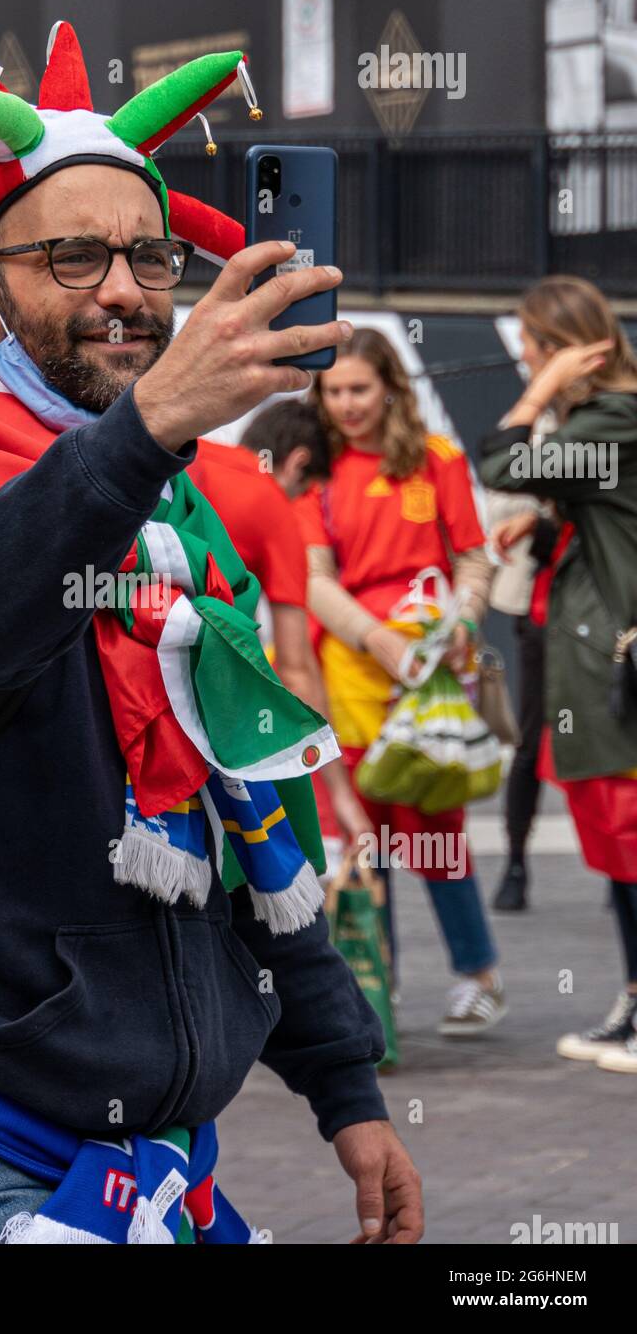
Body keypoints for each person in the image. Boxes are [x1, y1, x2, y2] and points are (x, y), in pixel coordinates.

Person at [0, 25, 422, 1244]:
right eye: (74, 255)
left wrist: (344, 1089)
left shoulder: (171, 519)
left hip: (160, 1174)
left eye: (147, 256)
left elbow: (245, 811)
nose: (122, 290)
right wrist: (142, 432)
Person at [293, 328, 505, 1036]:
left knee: (436, 832)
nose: (347, 404)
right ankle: (373, 991)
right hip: (350, 676)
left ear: (390, 388)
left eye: (359, 388)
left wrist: (467, 619)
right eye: (334, 390)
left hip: (432, 676)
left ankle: (478, 978)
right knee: (363, 838)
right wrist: (375, 638)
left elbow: (473, 559)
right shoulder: (314, 469)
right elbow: (313, 580)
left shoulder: (438, 460)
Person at [479, 275, 637, 1072]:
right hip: (599, 670)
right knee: (619, 851)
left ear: (574, 351)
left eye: (535, 349)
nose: (527, 363)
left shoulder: (614, 420)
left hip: (613, 675)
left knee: (629, 842)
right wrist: (544, 523)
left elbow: (501, 460)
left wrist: (539, 394)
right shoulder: (609, 426)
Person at [187, 432, 373, 853]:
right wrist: (342, 795)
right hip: (212, 716)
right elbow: (296, 667)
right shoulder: (273, 502)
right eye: (305, 491)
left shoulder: (187, 449)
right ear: (298, 462)